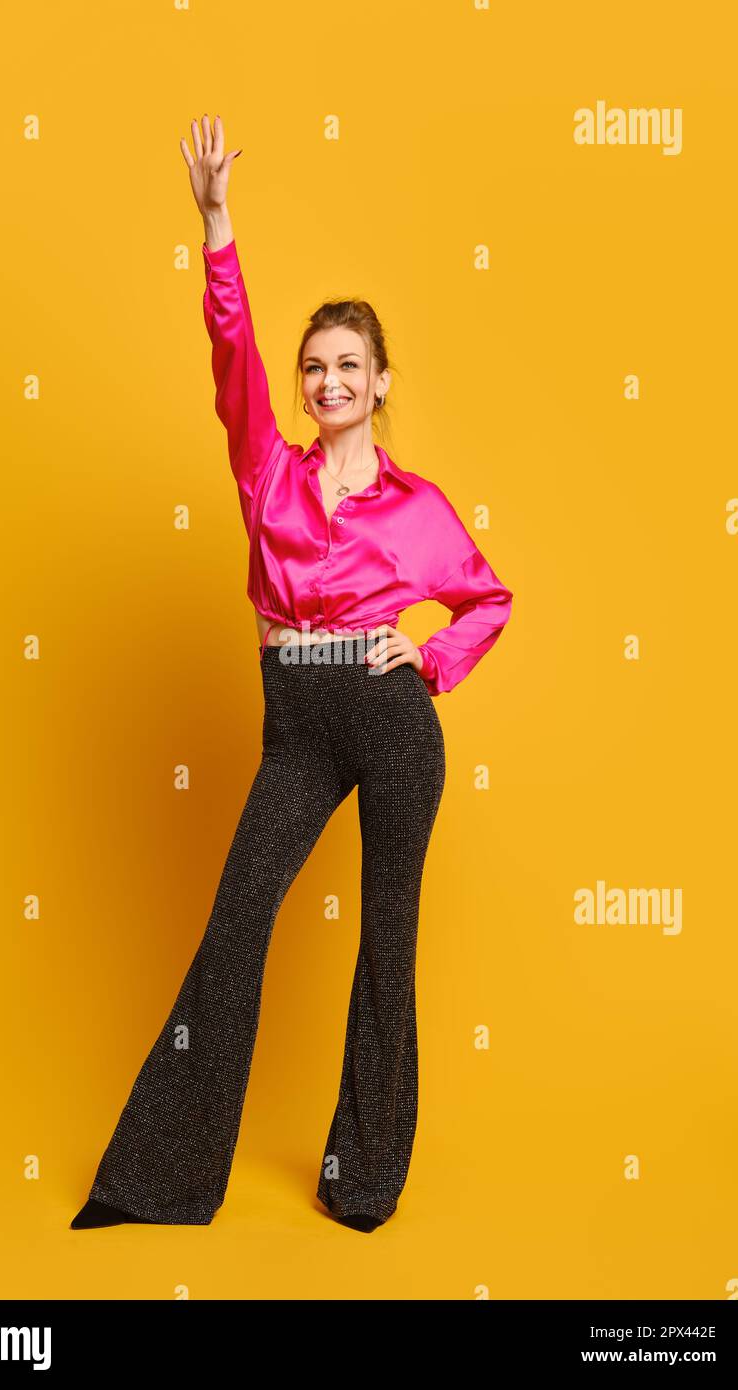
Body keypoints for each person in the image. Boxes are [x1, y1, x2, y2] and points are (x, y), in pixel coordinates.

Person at [71, 114, 513, 1234]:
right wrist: (216, 226)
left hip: (389, 724)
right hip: (294, 726)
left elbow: (487, 598)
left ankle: (360, 1180)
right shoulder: (264, 468)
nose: (325, 381)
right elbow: (230, 353)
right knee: (235, 923)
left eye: (346, 368)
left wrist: (433, 653)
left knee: (384, 945)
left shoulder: (415, 508)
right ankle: (163, 1177)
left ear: (378, 383)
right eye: (314, 367)